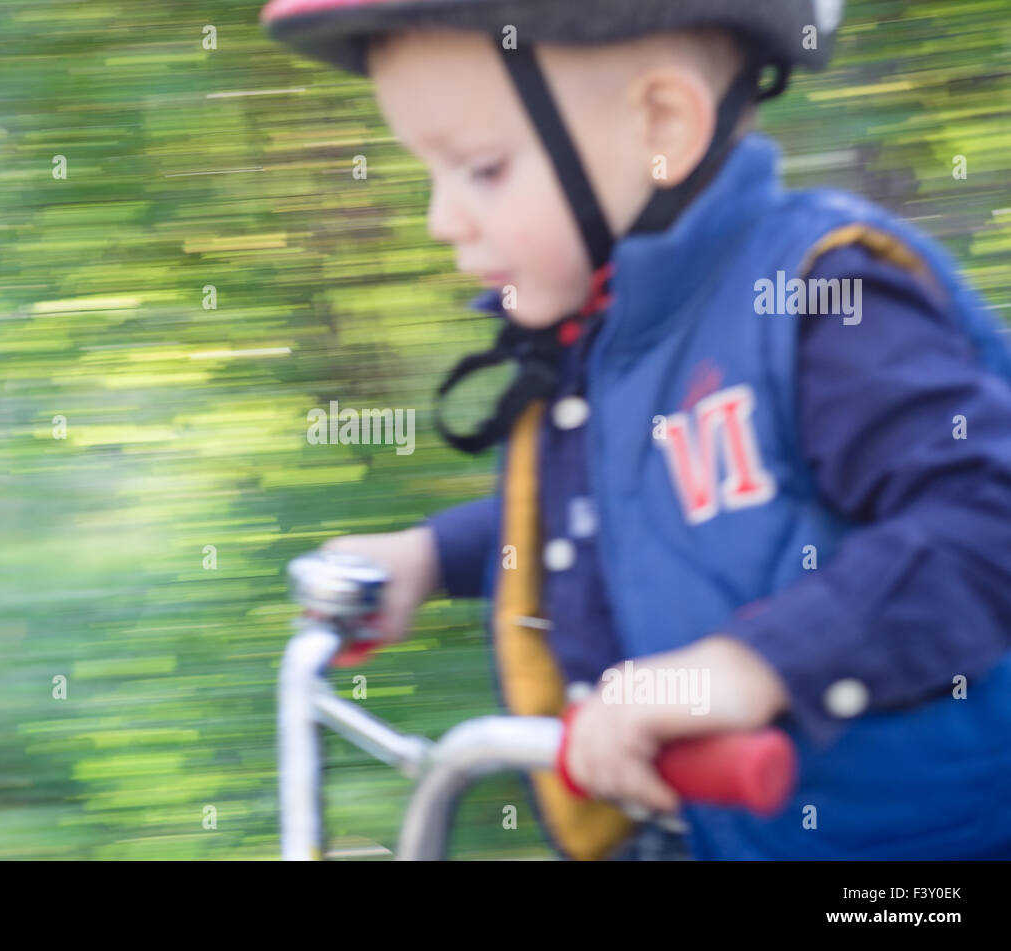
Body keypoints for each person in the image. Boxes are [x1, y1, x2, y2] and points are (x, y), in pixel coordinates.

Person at [260, 0, 1011, 860]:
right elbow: (616, 514)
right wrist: (429, 555)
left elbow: (981, 522)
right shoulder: (603, 343)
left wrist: (749, 666)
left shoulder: (818, 297)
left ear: (663, 126)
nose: (443, 219)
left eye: (482, 168)